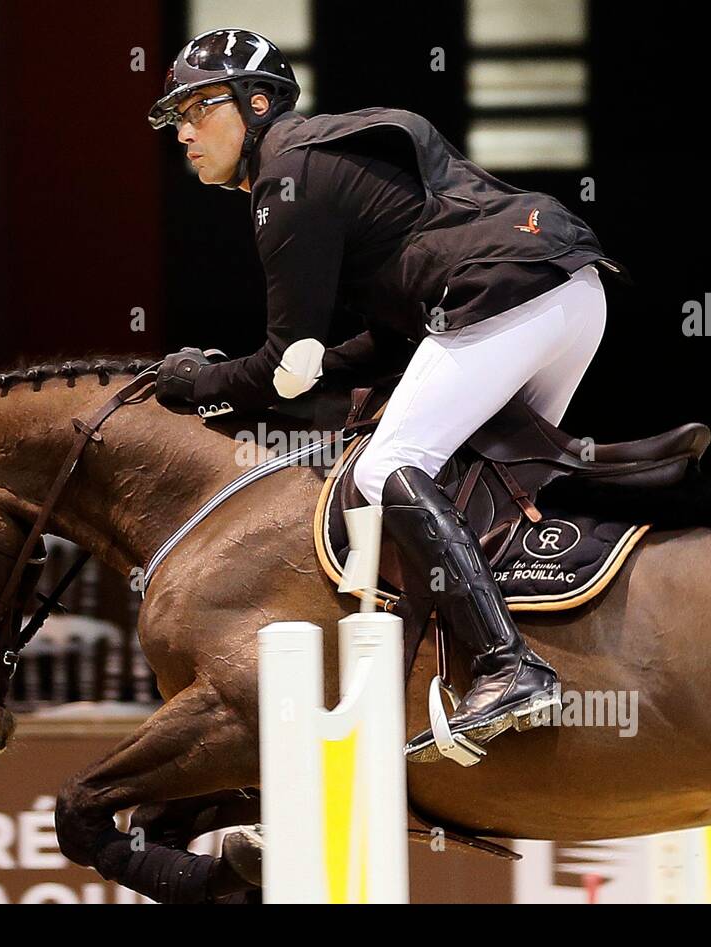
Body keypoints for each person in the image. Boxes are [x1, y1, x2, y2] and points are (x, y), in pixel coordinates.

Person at [148, 28, 621, 761]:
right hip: (570, 294)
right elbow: (377, 346)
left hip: (510, 297)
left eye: (198, 106)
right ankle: (518, 658)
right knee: (479, 488)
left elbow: (285, 369)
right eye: (174, 114)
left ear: (258, 101)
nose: (182, 130)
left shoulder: (287, 177)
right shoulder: (320, 161)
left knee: (383, 467)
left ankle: (509, 665)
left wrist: (196, 384)